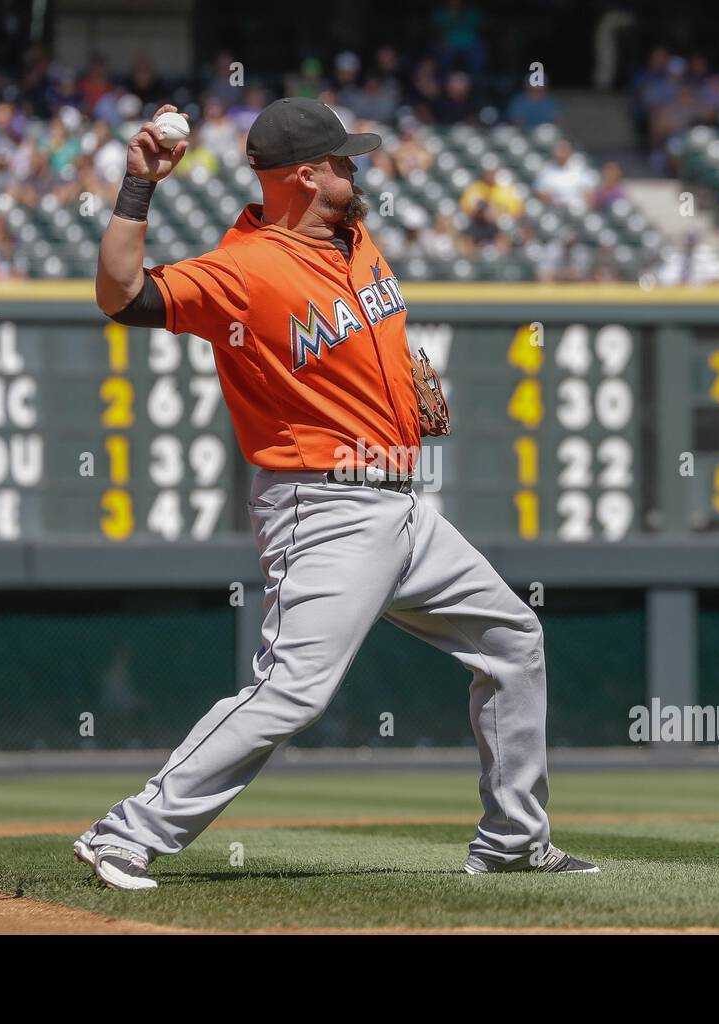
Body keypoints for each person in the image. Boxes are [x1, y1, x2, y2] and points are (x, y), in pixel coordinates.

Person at [77, 97, 598, 890]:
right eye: (344, 160)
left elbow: (364, 339)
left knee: (514, 644)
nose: (357, 170)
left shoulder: (353, 239)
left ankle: (514, 841)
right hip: (322, 505)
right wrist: (138, 187)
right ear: (305, 174)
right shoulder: (243, 271)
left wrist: (403, 379)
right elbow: (119, 295)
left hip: (405, 503)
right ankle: (128, 832)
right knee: (293, 691)